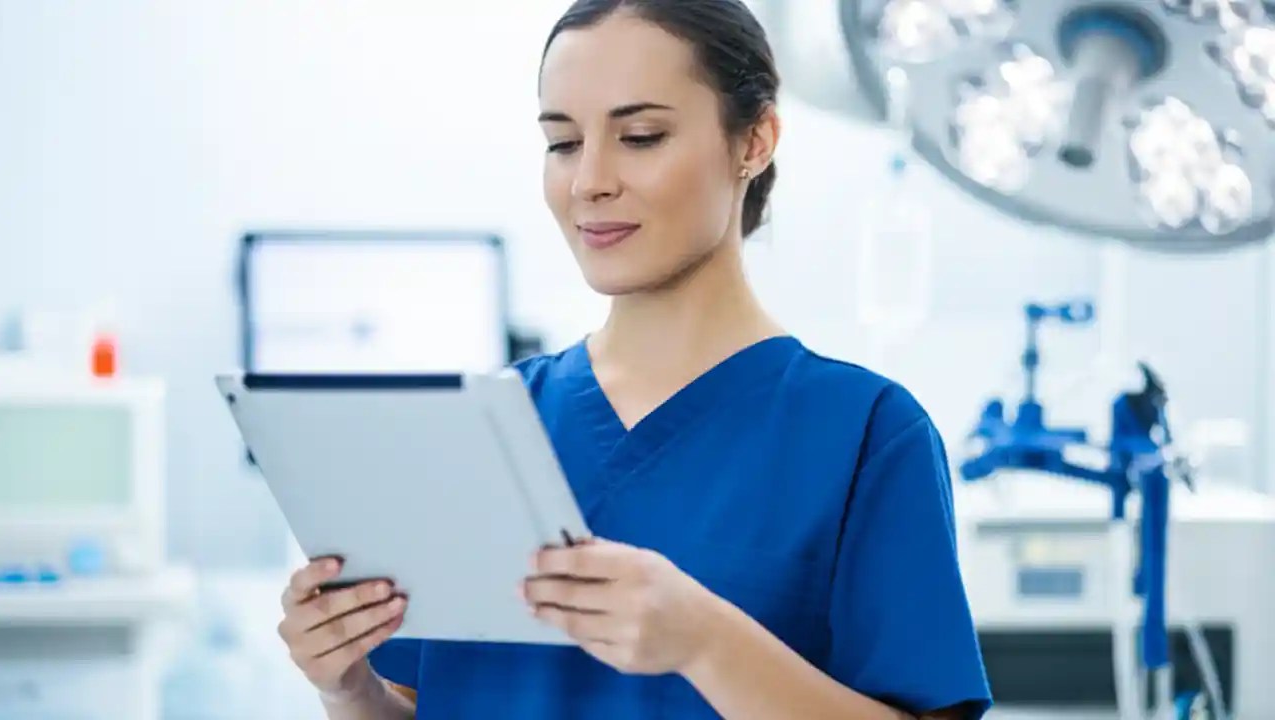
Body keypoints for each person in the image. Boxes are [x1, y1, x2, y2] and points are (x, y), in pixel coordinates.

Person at [274, 1, 993, 718]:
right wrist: (348, 687)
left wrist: (706, 643)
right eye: (561, 143)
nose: (589, 180)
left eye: (641, 136)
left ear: (755, 141)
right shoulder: (481, 428)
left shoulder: (864, 434)